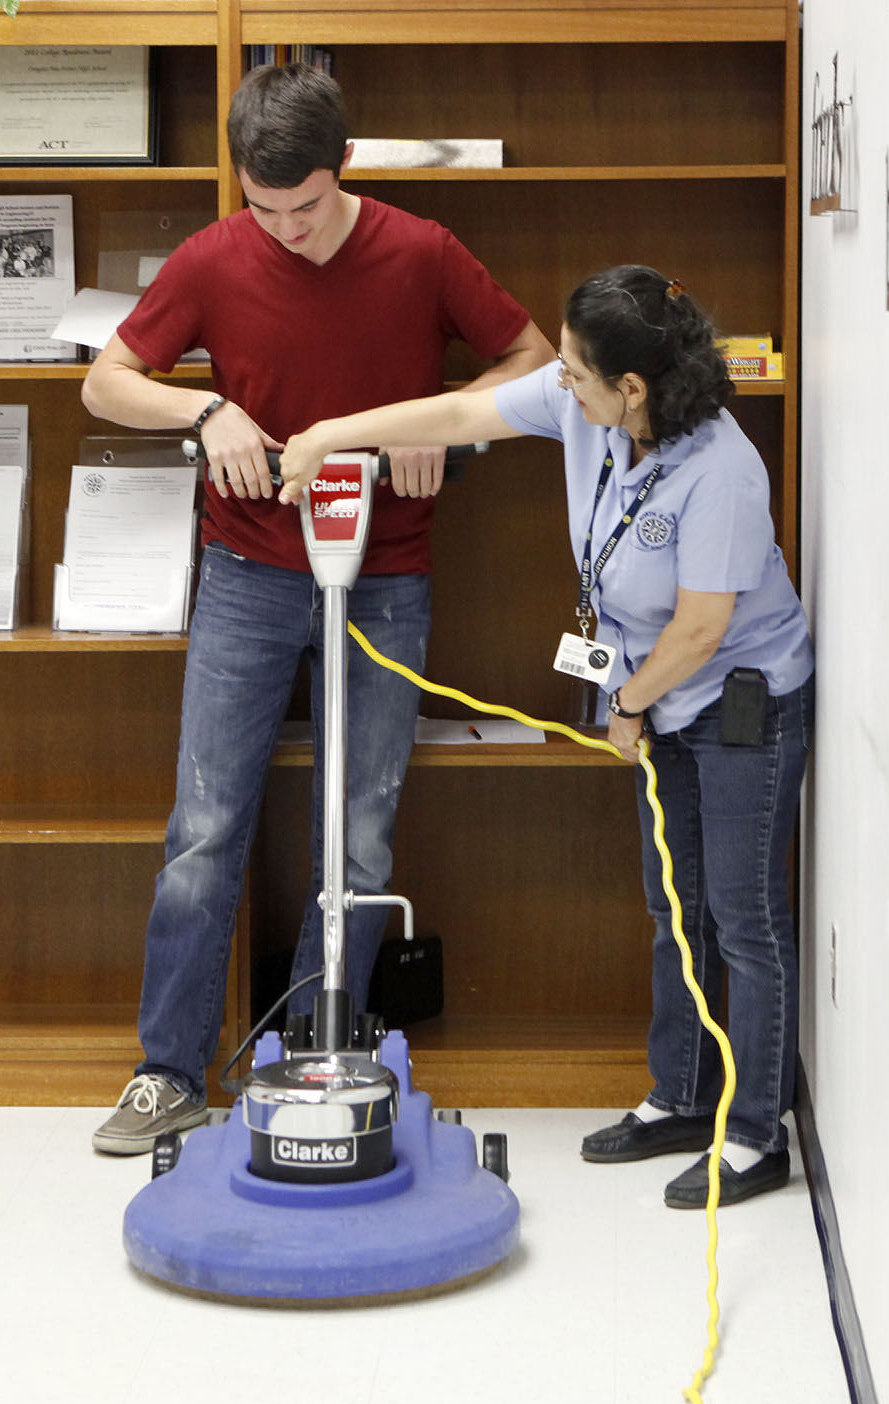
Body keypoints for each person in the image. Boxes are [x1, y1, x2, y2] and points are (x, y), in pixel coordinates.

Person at [80, 64, 553, 1155]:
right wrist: (205, 410)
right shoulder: (213, 255)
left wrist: (454, 422)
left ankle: (313, 1056)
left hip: (386, 572)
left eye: (306, 207)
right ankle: (167, 1072)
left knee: (360, 835)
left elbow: (529, 361)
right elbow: (105, 381)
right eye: (264, 208)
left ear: (343, 169)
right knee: (203, 830)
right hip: (246, 572)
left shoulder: (421, 251)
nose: (286, 231)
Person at [278, 265, 813, 1207]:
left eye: (570, 371)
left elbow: (702, 625)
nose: (554, 380)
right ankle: (683, 1095)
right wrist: (331, 433)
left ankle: (757, 1132)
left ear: (632, 389)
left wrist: (631, 705)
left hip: (738, 702)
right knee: (672, 910)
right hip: (659, 693)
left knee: (743, 922)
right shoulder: (585, 406)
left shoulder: (721, 468)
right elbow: (451, 419)